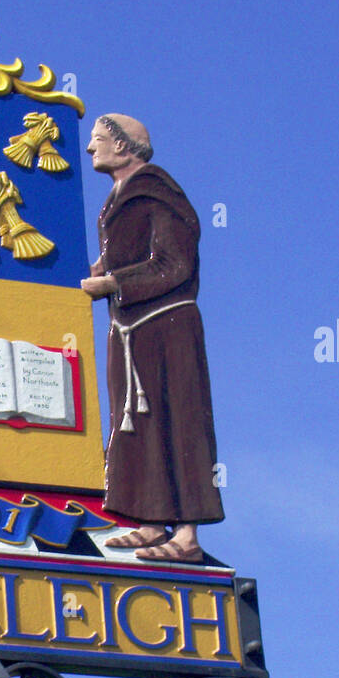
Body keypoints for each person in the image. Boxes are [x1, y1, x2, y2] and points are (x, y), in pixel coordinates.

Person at [80, 114, 223, 562]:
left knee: (179, 421)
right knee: (134, 420)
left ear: (124, 148)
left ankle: (185, 534)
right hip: (129, 329)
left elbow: (174, 264)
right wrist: (105, 270)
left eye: (99, 140)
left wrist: (113, 282)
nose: (90, 149)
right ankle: (147, 520)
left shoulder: (159, 194)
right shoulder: (117, 199)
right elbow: (126, 253)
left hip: (168, 328)